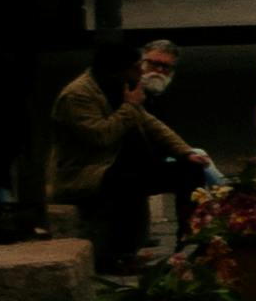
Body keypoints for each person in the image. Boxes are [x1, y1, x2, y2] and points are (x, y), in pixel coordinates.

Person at [39, 33, 213, 257]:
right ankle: (120, 255)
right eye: (135, 68)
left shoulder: (122, 86)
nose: (140, 73)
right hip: (85, 173)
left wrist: (185, 152)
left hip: (116, 166)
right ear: (115, 71)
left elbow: (151, 125)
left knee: (190, 170)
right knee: (127, 183)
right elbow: (100, 136)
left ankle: (190, 237)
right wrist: (130, 107)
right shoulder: (77, 96)